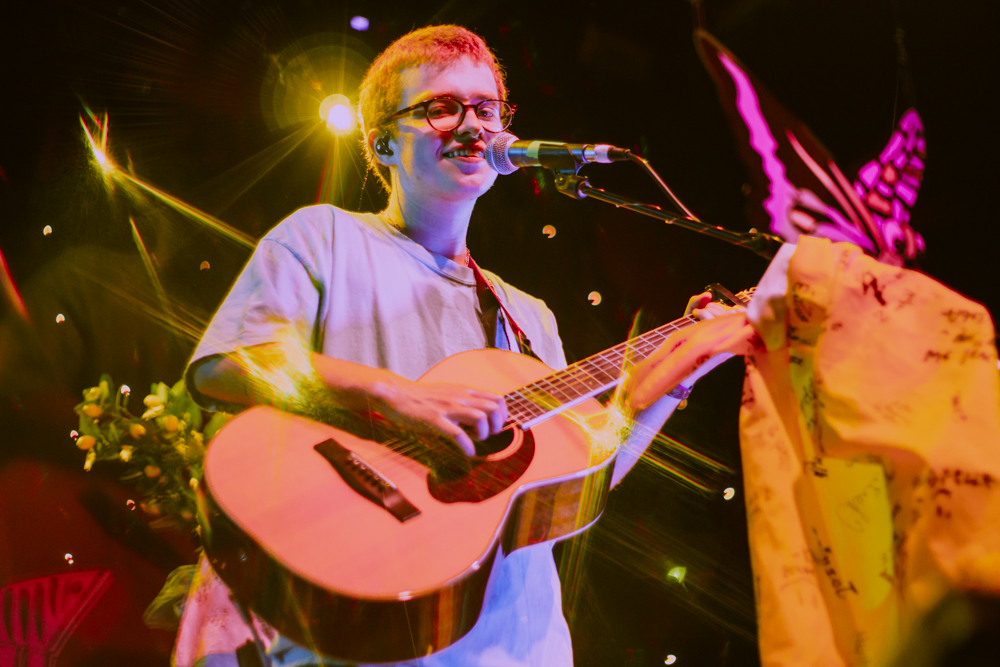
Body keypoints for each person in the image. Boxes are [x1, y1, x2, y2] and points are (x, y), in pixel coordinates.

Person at [173, 24, 728, 667]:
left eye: (487, 109)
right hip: (365, 639)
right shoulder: (324, 237)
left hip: (519, 650)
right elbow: (231, 363)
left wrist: (677, 376)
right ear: (382, 141)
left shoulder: (528, 317)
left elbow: (569, 489)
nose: (473, 126)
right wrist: (397, 397)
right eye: (442, 107)